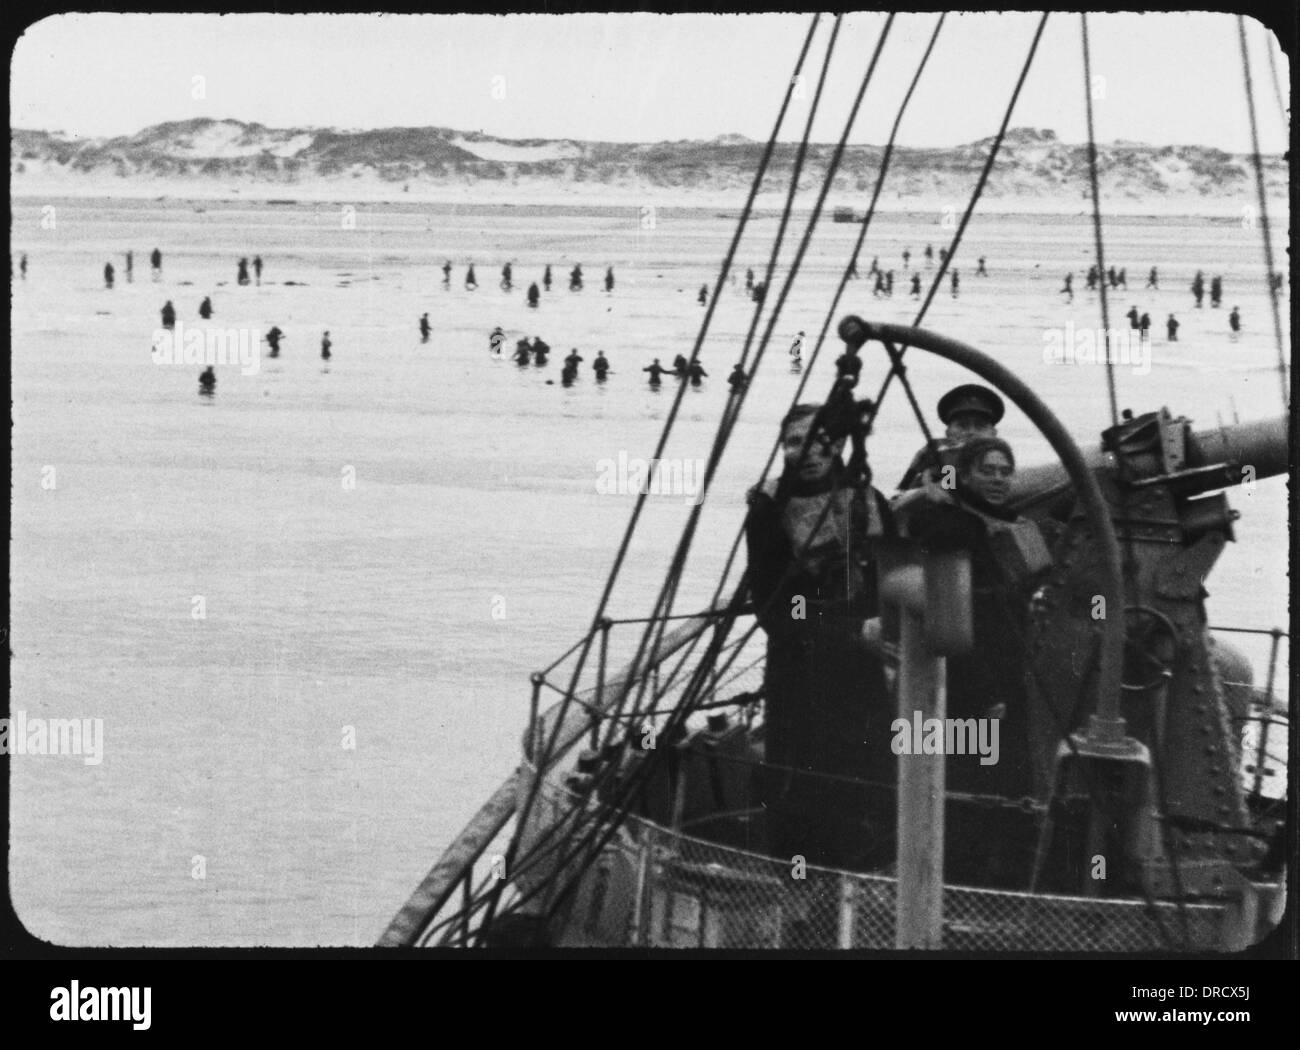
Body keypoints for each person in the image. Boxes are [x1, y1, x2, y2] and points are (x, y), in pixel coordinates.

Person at [745, 401, 897, 873]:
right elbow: (772, 603)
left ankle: (867, 872)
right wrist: (849, 631)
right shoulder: (769, 510)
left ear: (836, 446)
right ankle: (800, 883)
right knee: (798, 772)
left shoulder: (867, 500)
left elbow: (892, 573)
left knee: (866, 765)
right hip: (800, 662)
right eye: (795, 442)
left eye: (819, 441)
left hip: (861, 664)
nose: (808, 452)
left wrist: (880, 624)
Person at [898, 436, 1047, 808]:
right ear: (964, 476)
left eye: (1004, 472)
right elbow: (929, 535)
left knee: (1007, 771)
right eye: (987, 471)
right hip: (974, 665)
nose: (998, 480)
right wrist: (943, 500)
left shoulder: (1011, 523)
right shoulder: (953, 523)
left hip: (1013, 658)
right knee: (977, 771)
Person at [897, 383, 1003, 490]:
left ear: (993, 433)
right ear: (948, 432)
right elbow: (950, 490)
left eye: (980, 426)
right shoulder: (941, 463)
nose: (971, 432)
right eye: (963, 425)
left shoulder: (1007, 471)